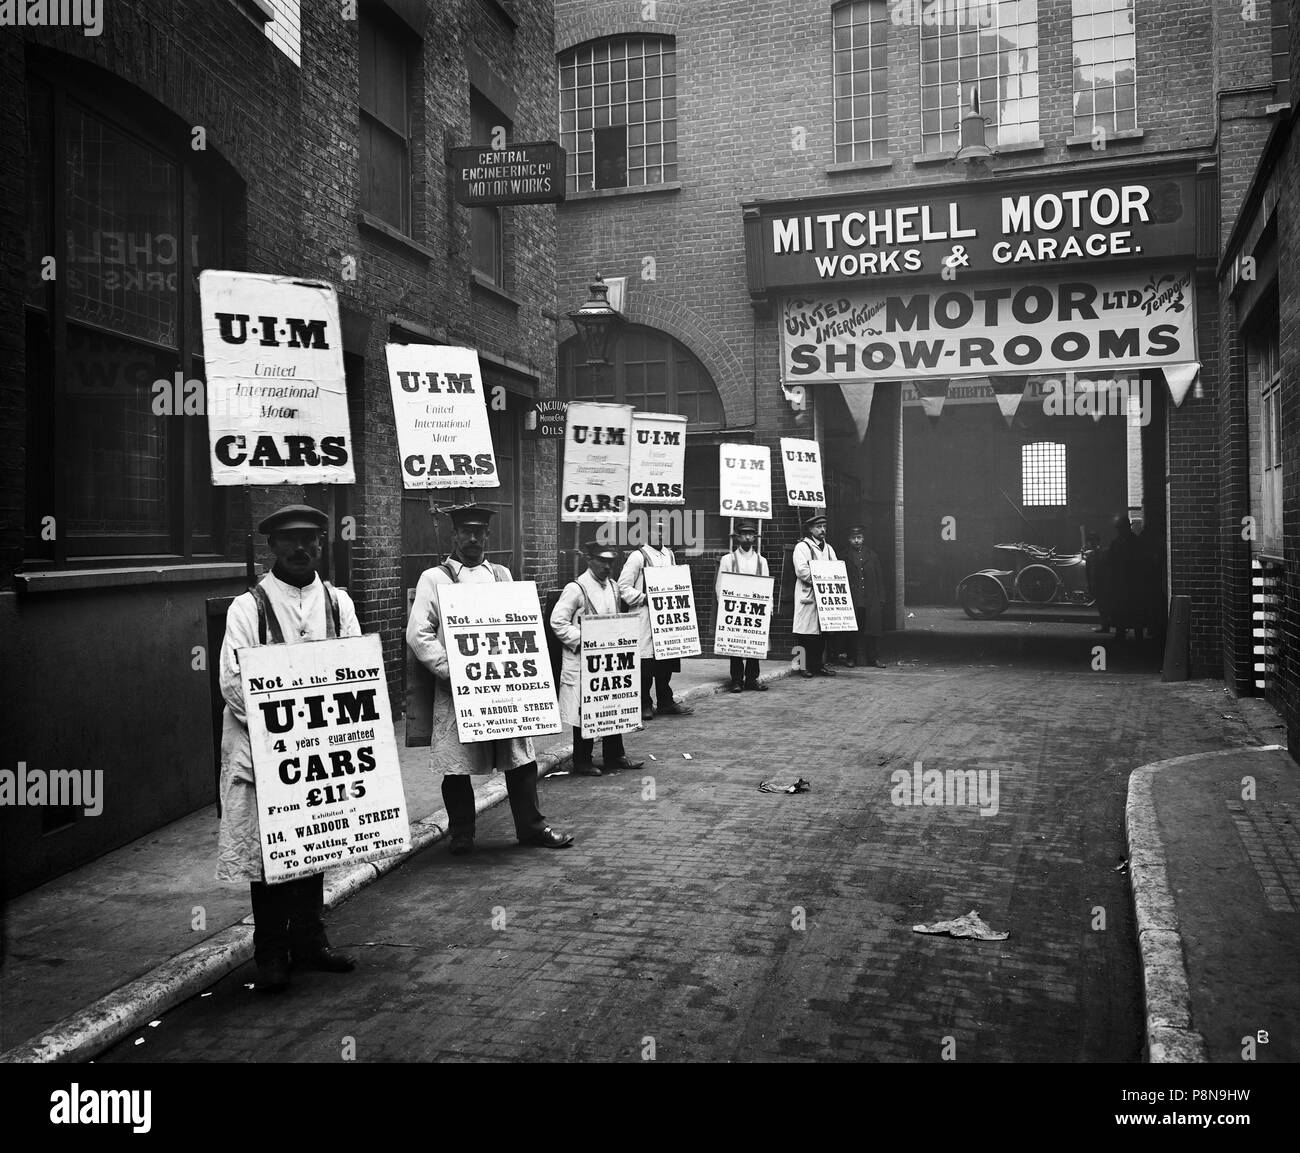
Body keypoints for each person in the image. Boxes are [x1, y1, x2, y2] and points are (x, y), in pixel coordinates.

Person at [217, 504, 359, 993]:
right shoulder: (248, 607)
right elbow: (233, 683)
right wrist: (285, 729)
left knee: (314, 842)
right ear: (271, 546)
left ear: (322, 544)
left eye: (311, 540)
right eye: (290, 540)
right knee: (269, 853)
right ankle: (271, 951)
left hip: (321, 753)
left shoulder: (338, 603)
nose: (301, 549)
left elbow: (354, 666)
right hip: (263, 752)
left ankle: (311, 941)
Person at [406, 505, 573, 855]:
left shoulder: (501, 575)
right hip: (458, 690)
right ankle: (462, 833)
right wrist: (452, 671)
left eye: (478, 532)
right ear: (454, 535)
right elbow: (418, 633)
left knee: (519, 757)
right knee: (457, 764)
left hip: (502, 686)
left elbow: (517, 626)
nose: (471, 538)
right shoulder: (434, 578)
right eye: (464, 532)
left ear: (487, 535)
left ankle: (532, 828)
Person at [551, 541, 647, 776]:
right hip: (583, 661)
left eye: (610, 562)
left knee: (612, 704)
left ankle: (615, 755)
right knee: (585, 710)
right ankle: (582, 760)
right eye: (602, 561)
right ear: (589, 560)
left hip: (609, 661)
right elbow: (558, 621)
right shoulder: (576, 588)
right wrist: (585, 640)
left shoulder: (614, 587)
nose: (607, 566)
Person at [617, 511, 695, 721]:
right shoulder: (638, 556)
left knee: (665, 660)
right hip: (644, 616)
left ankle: (665, 701)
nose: (659, 535)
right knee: (646, 663)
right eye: (655, 530)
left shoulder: (669, 554)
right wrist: (644, 597)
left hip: (666, 618)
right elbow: (623, 587)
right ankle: (644, 703)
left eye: (663, 531)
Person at [715, 519, 770, 693]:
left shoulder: (762, 561)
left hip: (755, 609)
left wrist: (768, 609)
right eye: (744, 534)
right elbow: (720, 586)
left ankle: (752, 679)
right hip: (735, 608)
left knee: (755, 642)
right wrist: (725, 606)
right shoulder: (728, 559)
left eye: (751, 534)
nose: (748, 537)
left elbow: (766, 587)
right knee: (735, 644)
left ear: (755, 537)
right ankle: (737, 680)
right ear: (738, 537)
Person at [792, 511, 838, 678]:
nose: (822, 530)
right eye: (818, 527)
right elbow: (802, 571)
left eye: (824, 526)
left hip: (824, 597)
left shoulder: (829, 548)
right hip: (808, 595)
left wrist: (830, 580)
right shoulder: (802, 547)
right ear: (811, 529)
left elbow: (836, 568)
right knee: (805, 635)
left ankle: (818, 665)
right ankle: (803, 666)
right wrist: (821, 580)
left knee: (821, 635)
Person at [843, 523, 886, 668]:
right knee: (852, 631)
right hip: (853, 599)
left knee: (872, 631)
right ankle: (851, 658)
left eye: (859, 537)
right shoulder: (844, 555)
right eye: (853, 538)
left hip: (870, 600)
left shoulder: (872, 555)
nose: (856, 540)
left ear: (863, 538)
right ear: (849, 539)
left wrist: (881, 598)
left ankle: (873, 659)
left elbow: (880, 577)